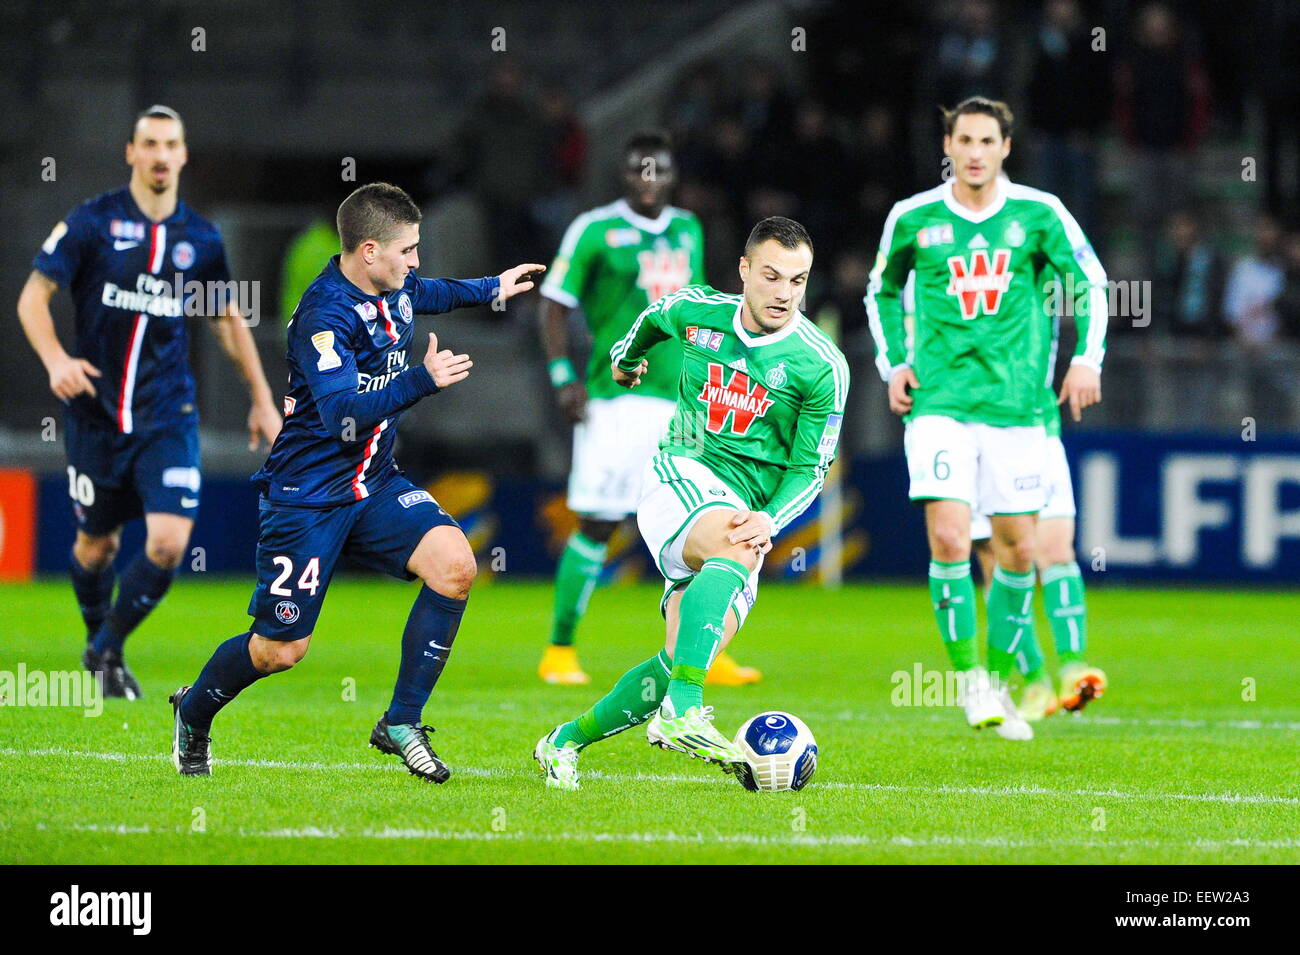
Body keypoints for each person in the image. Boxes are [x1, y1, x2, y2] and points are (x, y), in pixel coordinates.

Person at [169, 182, 543, 780]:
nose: (416, 261)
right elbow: (343, 412)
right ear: (369, 251)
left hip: (374, 484)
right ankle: (194, 710)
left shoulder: (393, 286)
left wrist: (493, 287)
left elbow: (431, 292)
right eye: (409, 249)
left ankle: (401, 722)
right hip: (309, 495)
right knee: (280, 650)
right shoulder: (324, 315)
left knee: (455, 566)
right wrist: (423, 379)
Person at [534, 217, 849, 790]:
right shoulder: (697, 309)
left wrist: (770, 518)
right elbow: (653, 319)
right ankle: (682, 712)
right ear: (745, 270)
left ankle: (563, 741)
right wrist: (626, 363)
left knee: (681, 656)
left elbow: (811, 468)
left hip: (745, 509)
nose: (784, 293)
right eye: (772, 276)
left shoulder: (821, 364)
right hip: (681, 471)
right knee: (733, 552)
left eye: (797, 281)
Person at [17, 105, 281, 699]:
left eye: (171, 144)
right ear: (131, 153)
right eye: (149, 144)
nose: (161, 155)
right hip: (95, 415)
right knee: (96, 546)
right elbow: (33, 297)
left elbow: (226, 319)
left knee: (167, 542)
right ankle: (97, 638)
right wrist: (58, 361)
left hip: (167, 415)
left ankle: (107, 650)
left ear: (183, 155)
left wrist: (262, 400)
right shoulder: (92, 222)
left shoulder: (203, 239)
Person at [865, 97, 1107, 741]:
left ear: (1006, 147)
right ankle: (973, 679)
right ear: (947, 144)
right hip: (940, 404)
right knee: (949, 539)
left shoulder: (1038, 213)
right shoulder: (912, 217)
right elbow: (881, 289)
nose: (974, 152)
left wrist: (1086, 358)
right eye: (963, 140)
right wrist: (894, 362)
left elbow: (1090, 281)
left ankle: (1003, 680)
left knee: (1019, 551)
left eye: (986, 141)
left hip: (1020, 411)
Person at [536, 130, 759, 687]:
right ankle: (559, 649)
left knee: (706, 522)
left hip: (683, 400)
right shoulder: (594, 229)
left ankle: (708, 647)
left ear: (674, 174)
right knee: (599, 520)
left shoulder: (688, 229)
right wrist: (564, 377)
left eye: (659, 169)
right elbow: (554, 305)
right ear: (624, 173)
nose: (650, 179)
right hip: (616, 397)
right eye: (640, 169)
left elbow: (701, 308)